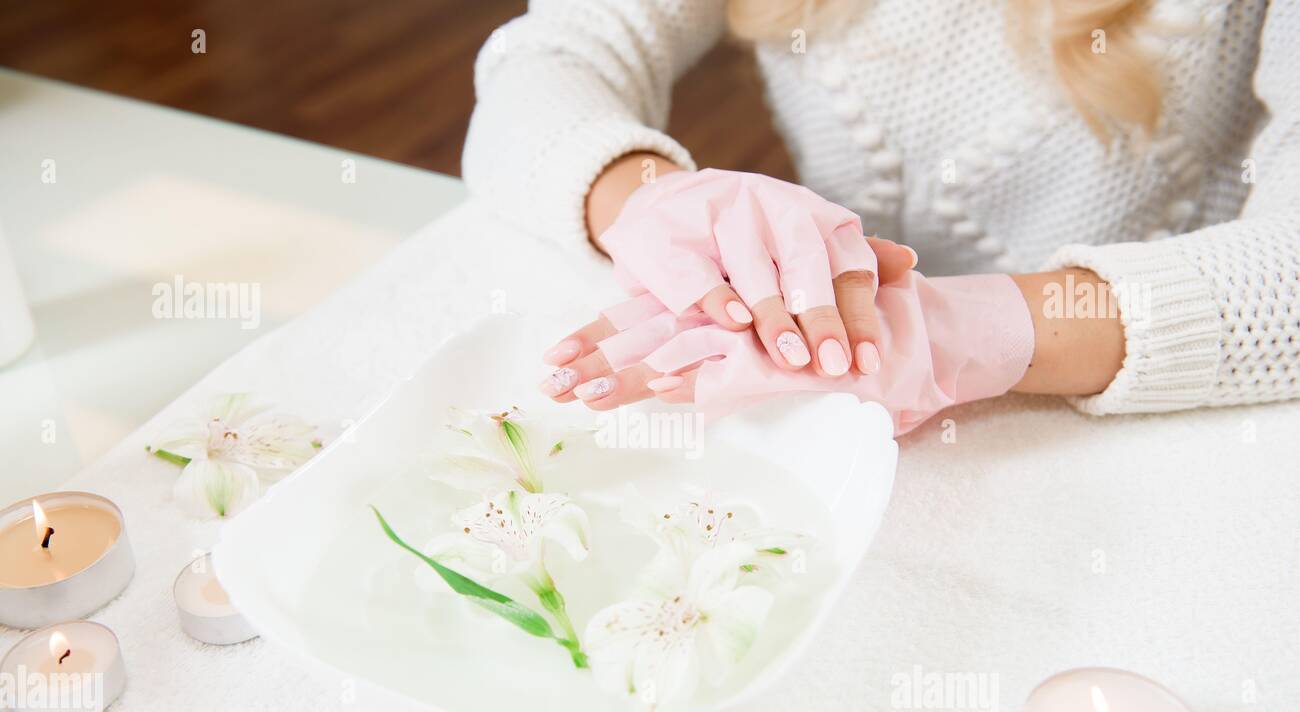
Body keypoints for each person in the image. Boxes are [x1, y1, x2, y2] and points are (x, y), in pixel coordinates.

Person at [463, 0, 1297, 431]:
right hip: (828, 401)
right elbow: (553, 54)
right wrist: (642, 192)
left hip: (1142, 413)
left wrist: (964, 328)